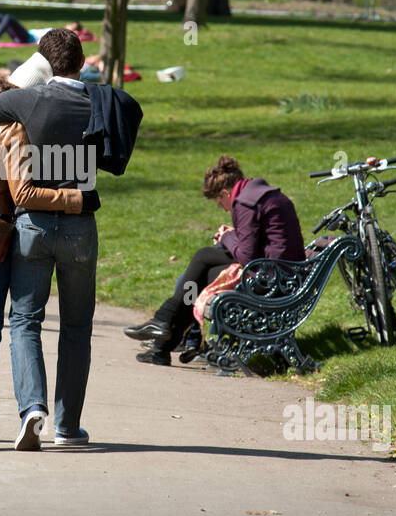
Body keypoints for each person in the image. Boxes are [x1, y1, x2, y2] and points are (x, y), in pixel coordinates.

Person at [0, 30, 113, 450]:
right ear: (82, 64)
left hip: (32, 226)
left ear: (44, 64)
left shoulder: (27, 100)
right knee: (76, 326)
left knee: (24, 321)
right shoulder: (100, 100)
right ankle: (67, 427)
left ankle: (31, 408)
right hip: (79, 226)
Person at [124, 156, 304, 365]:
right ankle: (162, 339)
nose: (226, 209)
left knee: (202, 262)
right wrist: (233, 235)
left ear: (226, 193)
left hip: (270, 280)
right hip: (282, 273)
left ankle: (163, 330)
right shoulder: (260, 194)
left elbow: (247, 256)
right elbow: (261, 242)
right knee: (203, 264)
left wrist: (227, 237)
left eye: (221, 204)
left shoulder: (245, 202)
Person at [0, 15, 94, 49]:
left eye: (72, 25)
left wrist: (81, 32)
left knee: (8, 18)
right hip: (25, 35)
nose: (68, 25)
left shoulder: (64, 35)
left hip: (28, 38)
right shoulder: (60, 30)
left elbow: (86, 35)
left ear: (75, 30)